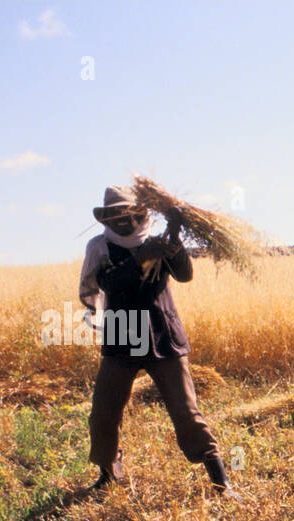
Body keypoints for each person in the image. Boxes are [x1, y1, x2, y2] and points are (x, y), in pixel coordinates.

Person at [78, 184, 239, 499]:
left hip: (163, 337)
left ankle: (221, 483)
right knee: (104, 411)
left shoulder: (158, 244)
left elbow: (184, 275)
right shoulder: (99, 247)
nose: (122, 222)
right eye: (115, 216)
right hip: (121, 338)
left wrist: (175, 238)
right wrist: (140, 258)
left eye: (128, 215)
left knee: (186, 411)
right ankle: (109, 474)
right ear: (107, 219)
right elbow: (107, 281)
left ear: (140, 215)